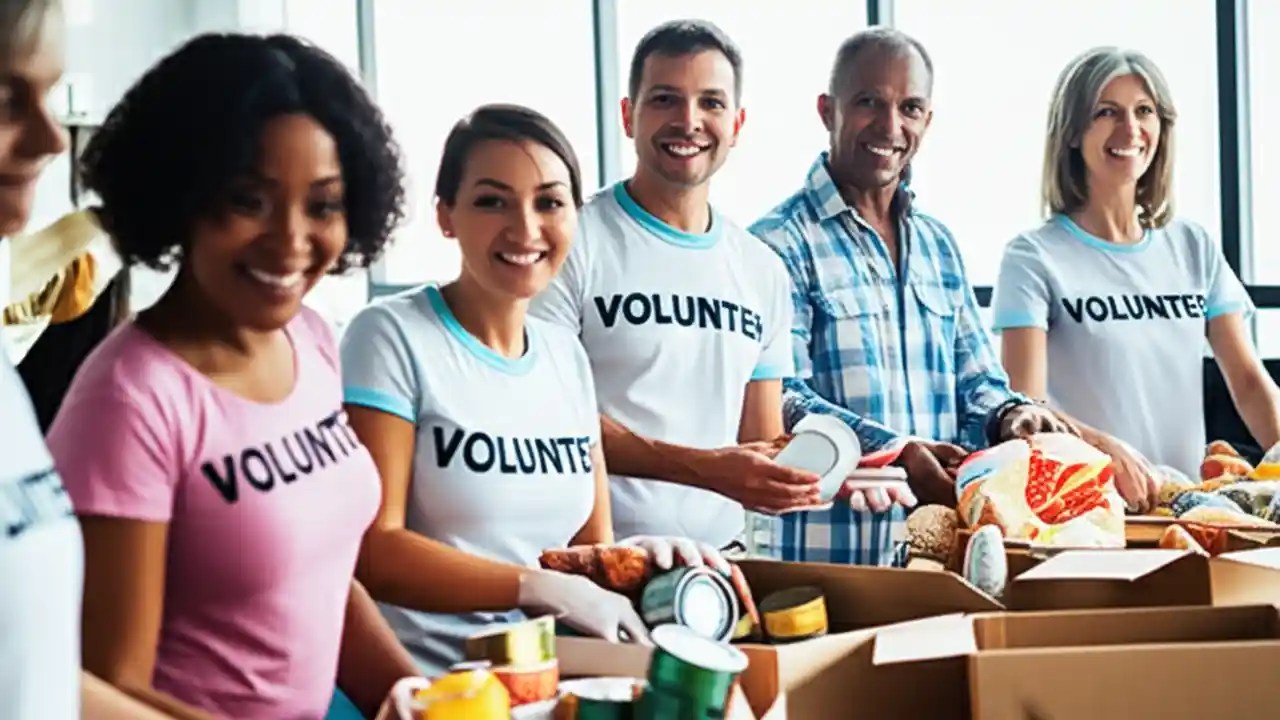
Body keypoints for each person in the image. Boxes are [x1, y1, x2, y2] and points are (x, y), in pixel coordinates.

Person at [44, 33, 422, 719]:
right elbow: (107, 686)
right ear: (182, 195)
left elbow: (320, 579)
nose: (291, 240)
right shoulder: (129, 399)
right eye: (249, 200)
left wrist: (413, 693)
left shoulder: (309, 340)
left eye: (324, 205)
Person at [341, 104, 728, 677]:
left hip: (553, 678)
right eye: (491, 201)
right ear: (446, 216)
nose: (525, 229)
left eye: (549, 202)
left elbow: (588, 551)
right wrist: (536, 586)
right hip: (434, 689)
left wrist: (647, 552)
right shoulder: (389, 335)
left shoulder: (564, 356)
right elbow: (374, 550)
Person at [748, 28, 1076, 567]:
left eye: (910, 107)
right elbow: (782, 399)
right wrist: (896, 452)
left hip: (942, 554)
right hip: (823, 556)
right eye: (868, 102)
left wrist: (1011, 415)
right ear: (827, 110)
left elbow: (978, 381)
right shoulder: (777, 244)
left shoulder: (938, 245)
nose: (890, 125)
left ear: (928, 120)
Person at [530, 20, 824, 553]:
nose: (688, 121)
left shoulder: (761, 269)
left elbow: (758, 441)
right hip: (593, 559)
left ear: (736, 123)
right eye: (666, 99)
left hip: (722, 565)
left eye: (710, 103)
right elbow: (543, 417)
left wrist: (837, 471)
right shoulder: (570, 239)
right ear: (628, 115)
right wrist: (707, 470)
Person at [992, 46, 1280, 501]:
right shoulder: (1033, 257)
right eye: (1106, 112)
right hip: (1087, 511)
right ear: (1071, 132)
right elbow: (1026, 409)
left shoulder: (1193, 247)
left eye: (1143, 111)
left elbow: (1246, 381)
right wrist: (1103, 448)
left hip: (1186, 510)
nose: (1130, 130)